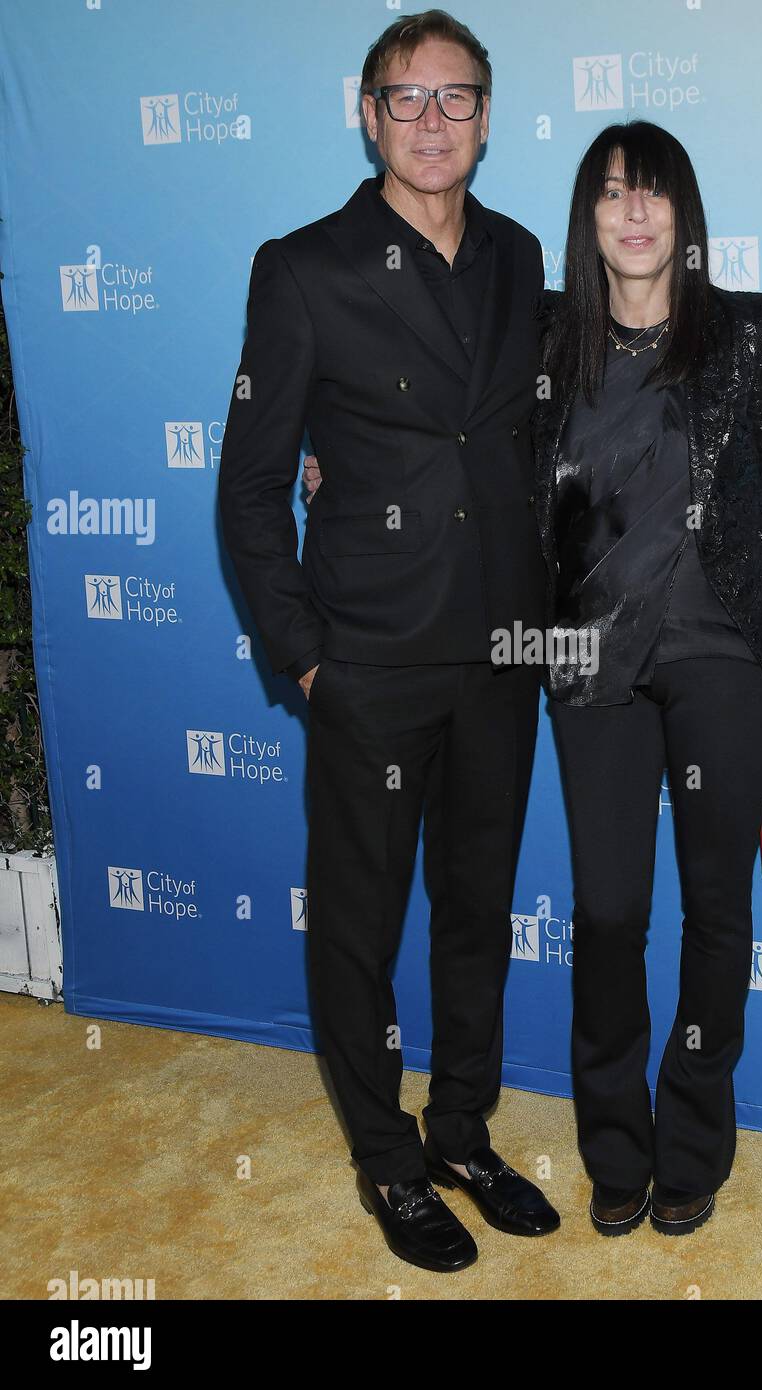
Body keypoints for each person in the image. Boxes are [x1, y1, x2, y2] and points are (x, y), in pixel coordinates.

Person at [217, 9, 559, 1275]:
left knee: (477, 911)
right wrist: (304, 655)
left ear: (485, 115)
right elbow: (251, 487)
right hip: (367, 655)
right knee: (357, 926)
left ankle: (460, 1129)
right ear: (366, 117)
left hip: (500, 657)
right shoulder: (302, 267)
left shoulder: (524, 258)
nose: (430, 122)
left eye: (454, 98)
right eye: (404, 100)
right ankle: (384, 1158)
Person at [531, 120, 762, 1236]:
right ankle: (613, 1147)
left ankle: (692, 1142)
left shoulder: (750, 334)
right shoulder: (543, 344)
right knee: (608, 915)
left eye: (652, 191)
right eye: (611, 192)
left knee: (715, 913)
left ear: (683, 213)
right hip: (590, 664)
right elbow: (455, 451)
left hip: (726, 661)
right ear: (590, 218)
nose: (633, 211)